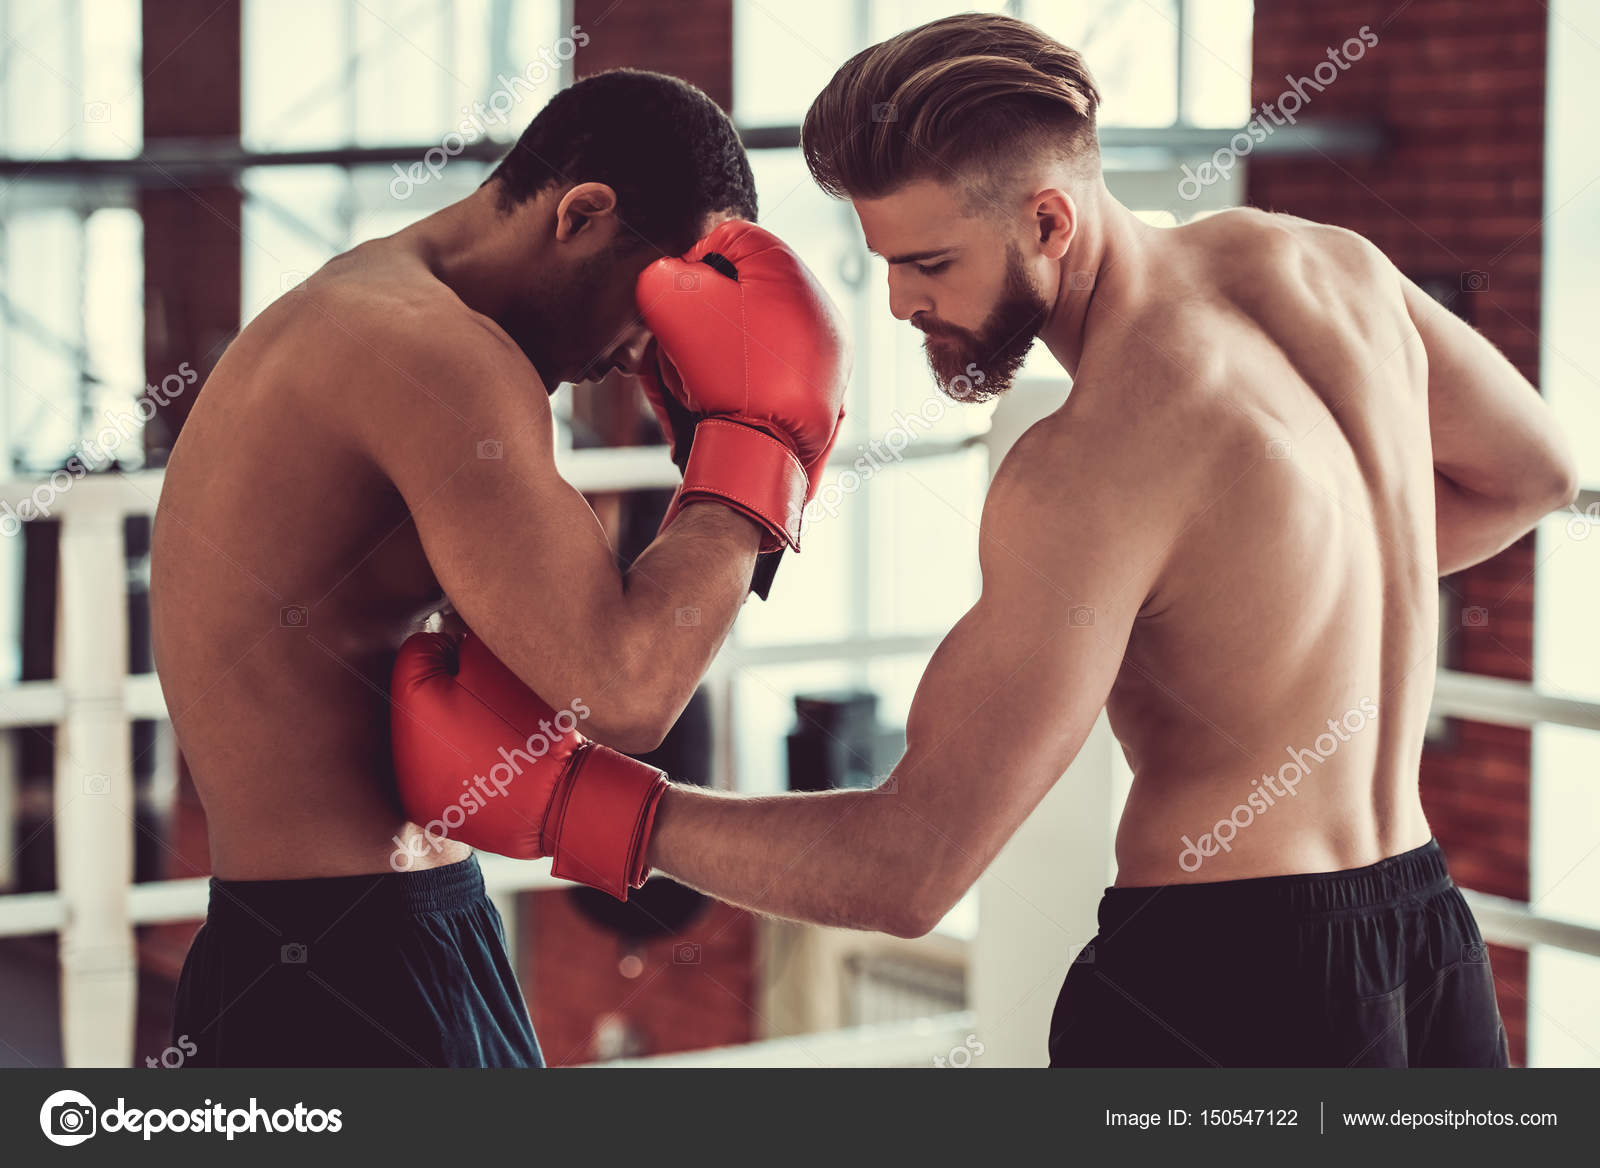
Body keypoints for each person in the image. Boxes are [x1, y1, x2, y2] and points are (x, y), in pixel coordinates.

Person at [391, 16, 1577, 1067]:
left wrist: (570, 802)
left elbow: (908, 869)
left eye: (929, 263)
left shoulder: (1086, 465)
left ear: (1049, 218)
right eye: (885, 263)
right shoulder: (1332, 271)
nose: (901, 305)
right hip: (1425, 944)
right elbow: (1533, 473)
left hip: (1229, 992)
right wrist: (1263, 608)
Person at [152, 68, 848, 1067]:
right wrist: (752, 444)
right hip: (356, 973)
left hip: (329, 940)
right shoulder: (442, 359)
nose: (648, 348)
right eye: (654, 297)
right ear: (584, 212)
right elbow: (626, 689)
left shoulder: (359, 304)